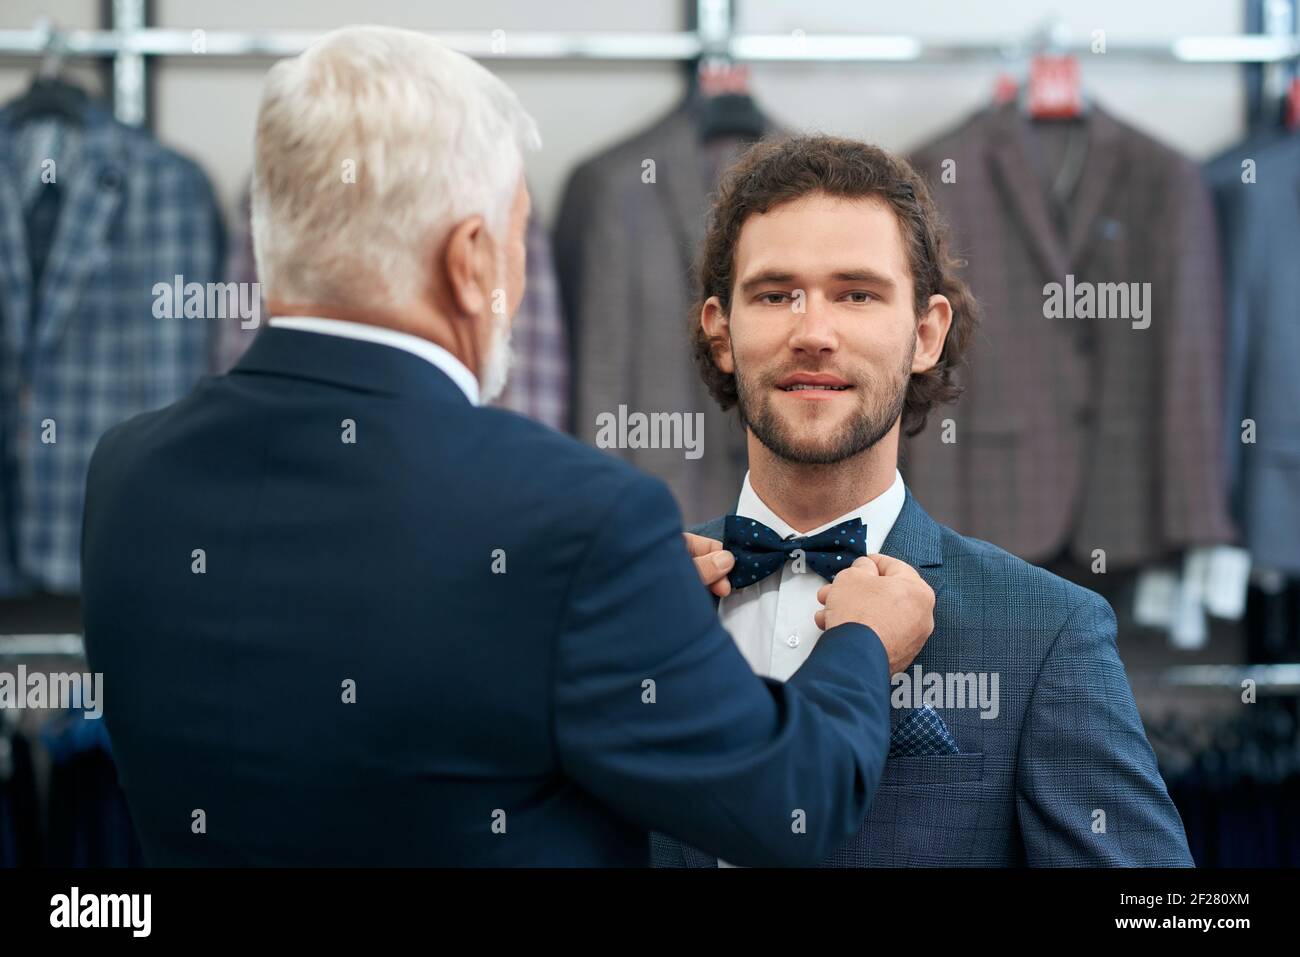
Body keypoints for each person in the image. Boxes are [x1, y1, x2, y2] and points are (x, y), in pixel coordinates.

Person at [79, 27, 936, 866]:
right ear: (471, 260)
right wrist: (862, 641)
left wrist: (609, 619)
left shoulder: (127, 474)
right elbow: (791, 805)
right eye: (519, 238)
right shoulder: (579, 518)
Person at [654, 135, 1193, 867]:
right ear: (722, 332)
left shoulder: (1045, 637)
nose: (814, 332)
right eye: (777, 294)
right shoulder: (626, 609)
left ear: (926, 333)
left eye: (857, 294)